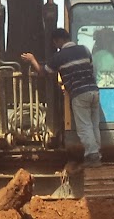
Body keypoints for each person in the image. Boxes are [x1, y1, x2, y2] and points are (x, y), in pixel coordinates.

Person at [21, 28, 104, 165]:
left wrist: (32, 59)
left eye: (55, 43)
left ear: (58, 41)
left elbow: (43, 72)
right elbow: (91, 67)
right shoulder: (84, 50)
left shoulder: (59, 57)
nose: (55, 46)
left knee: (84, 127)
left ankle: (92, 156)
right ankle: (96, 153)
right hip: (94, 91)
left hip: (79, 93)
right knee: (94, 124)